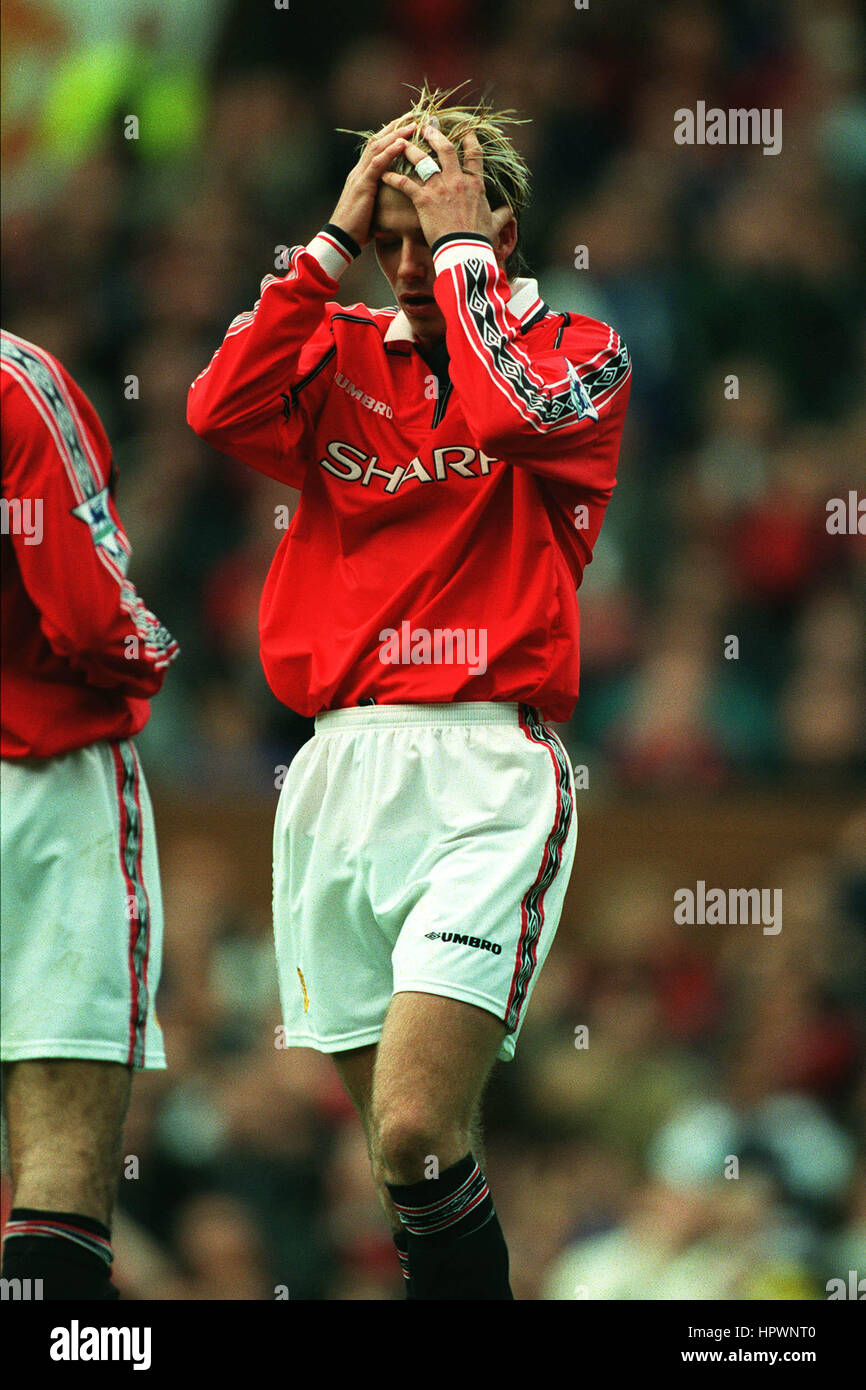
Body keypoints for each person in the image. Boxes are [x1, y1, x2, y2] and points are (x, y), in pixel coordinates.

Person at [187, 85, 630, 1300]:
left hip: (485, 769)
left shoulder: (580, 354)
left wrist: (461, 260)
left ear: (500, 225)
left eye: (420, 229)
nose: (400, 261)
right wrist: (325, 246)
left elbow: (504, 410)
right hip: (333, 770)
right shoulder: (335, 353)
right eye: (384, 235)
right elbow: (213, 405)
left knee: (413, 1132)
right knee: (410, 1168)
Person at [0, 329, 178, 1299]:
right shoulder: (16, 385)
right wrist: (151, 649)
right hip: (43, 785)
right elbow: (84, 611)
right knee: (58, 1168)